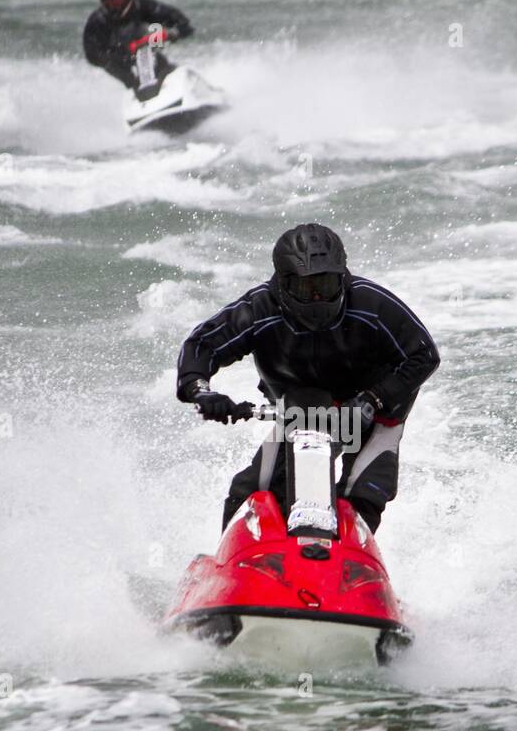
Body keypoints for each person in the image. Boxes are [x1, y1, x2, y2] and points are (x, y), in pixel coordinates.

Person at [176, 223, 440, 532]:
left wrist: (373, 399)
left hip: (377, 414)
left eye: (326, 285)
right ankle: (228, 570)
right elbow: (201, 345)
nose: (317, 298)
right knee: (253, 491)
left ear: (343, 277)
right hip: (303, 411)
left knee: (363, 496)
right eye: (306, 288)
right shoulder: (258, 309)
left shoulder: (373, 304)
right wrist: (200, 390)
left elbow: (424, 356)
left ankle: (344, 566)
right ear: (283, 284)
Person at [82, 0, 195, 99]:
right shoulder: (97, 21)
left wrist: (173, 33)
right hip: (121, 65)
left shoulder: (142, 6)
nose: (114, 6)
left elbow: (184, 24)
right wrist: (123, 55)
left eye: (117, 0)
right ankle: (142, 90)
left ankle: (164, 76)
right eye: (109, 1)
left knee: (149, 42)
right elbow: (92, 55)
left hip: (146, 50)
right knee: (110, 62)